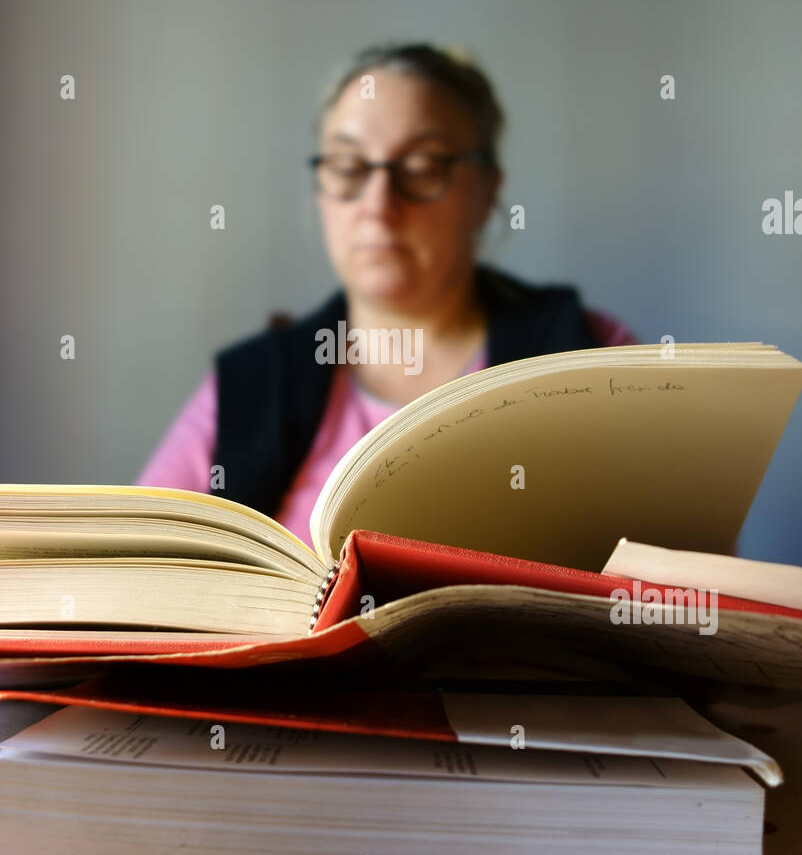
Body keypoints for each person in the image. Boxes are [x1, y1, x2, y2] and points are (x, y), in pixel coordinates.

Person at [137, 43, 637, 546]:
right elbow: (132, 577)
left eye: (421, 168)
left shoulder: (591, 356)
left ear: (487, 192)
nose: (379, 205)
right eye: (349, 167)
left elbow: (688, 577)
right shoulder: (249, 387)